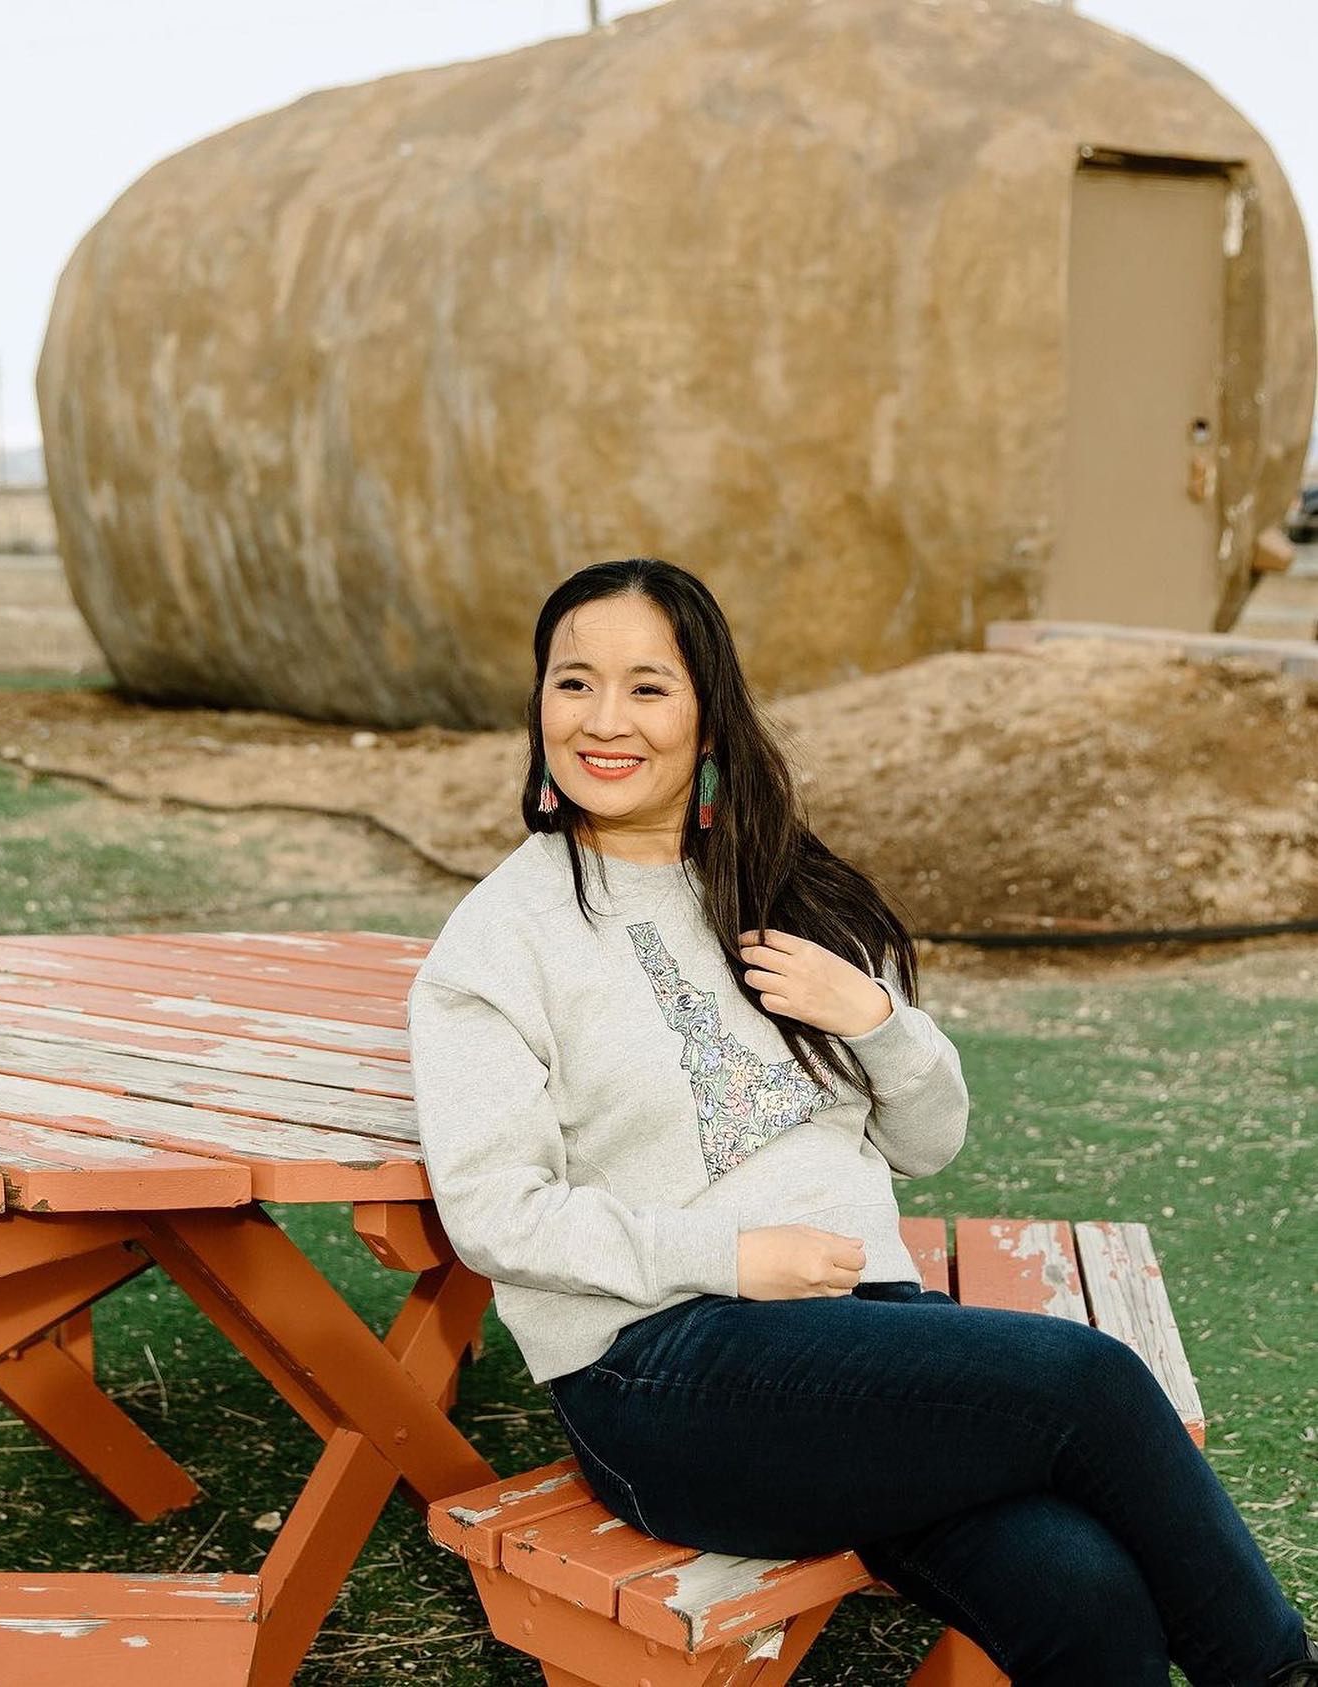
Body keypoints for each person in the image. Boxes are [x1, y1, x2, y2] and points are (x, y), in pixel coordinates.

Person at [407, 558, 1316, 1686]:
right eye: (572, 683)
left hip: (860, 1339)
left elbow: (925, 1143)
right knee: (1087, 1381)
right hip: (659, 1375)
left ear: (706, 710)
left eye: (647, 687)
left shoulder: (785, 888)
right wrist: (730, 1257)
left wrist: (876, 1021)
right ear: (536, 701)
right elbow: (496, 1214)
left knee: (1086, 1597)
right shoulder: (501, 940)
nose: (602, 720)